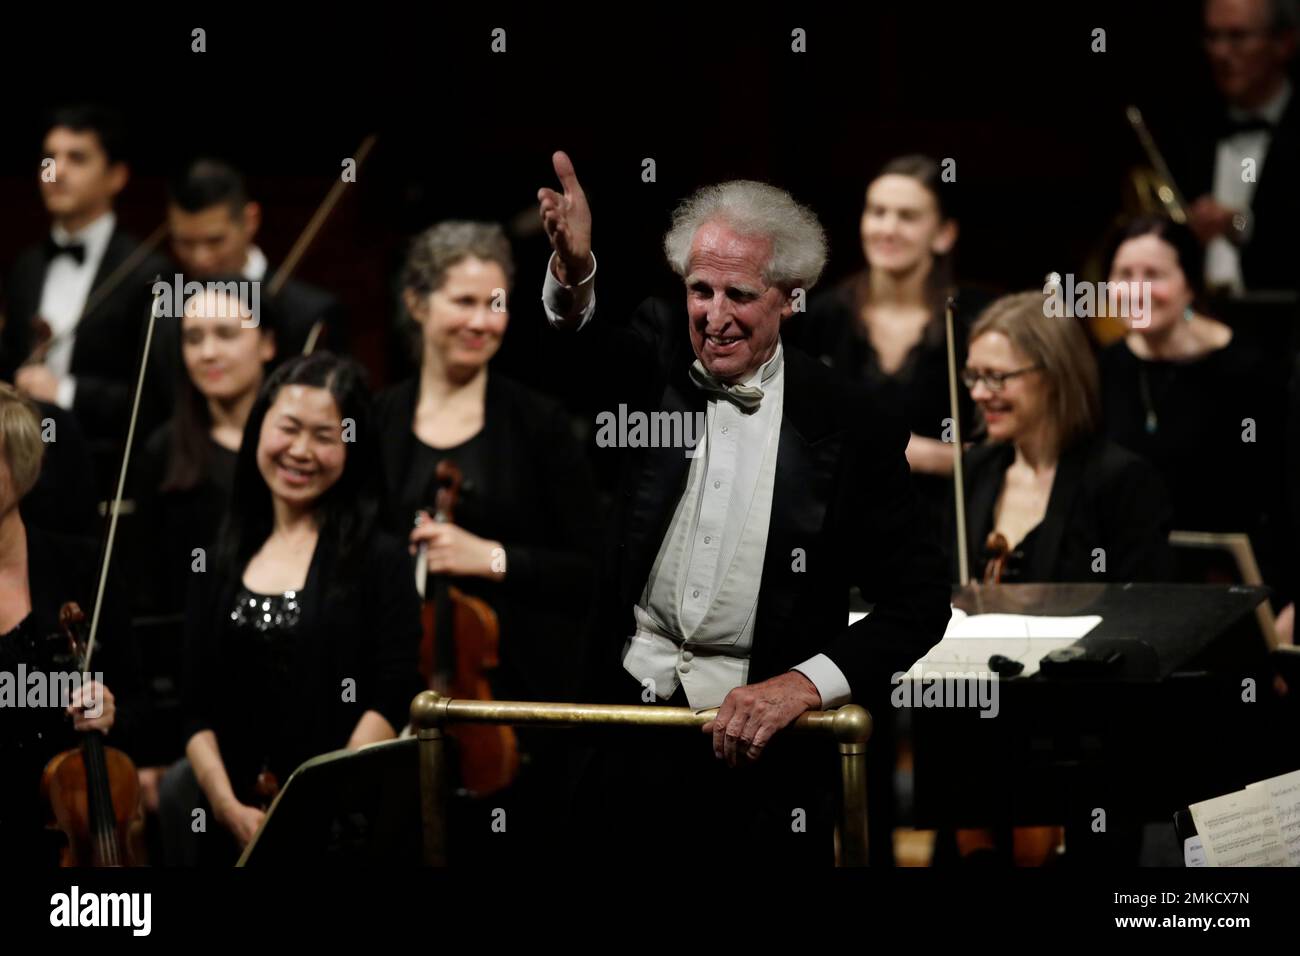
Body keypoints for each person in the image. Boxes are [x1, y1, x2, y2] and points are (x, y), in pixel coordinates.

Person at [537, 151, 950, 865]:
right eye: (701, 290)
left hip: (761, 768)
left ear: (790, 297)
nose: (714, 316)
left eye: (740, 295)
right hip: (621, 735)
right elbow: (582, 352)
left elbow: (918, 603)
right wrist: (575, 272)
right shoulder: (655, 363)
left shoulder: (851, 423)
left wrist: (802, 685)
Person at [375, 219, 602, 861]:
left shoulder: (538, 424)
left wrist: (493, 558)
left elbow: (593, 570)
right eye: (465, 301)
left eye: (497, 303)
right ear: (418, 304)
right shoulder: (379, 420)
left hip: (523, 703)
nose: (483, 320)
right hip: (401, 694)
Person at [167, 353, 421, 864]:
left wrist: (310, 808)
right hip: (230, 823)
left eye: (325, 436)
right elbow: (193, 708)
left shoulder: (383, 558)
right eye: (288, 428)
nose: (301, 451)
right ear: (260, 428)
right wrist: (223, 806)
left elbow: (391, 694)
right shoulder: (218, 557)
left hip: (339, 828)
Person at [791, 155, 987, 512]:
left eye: (907, 216)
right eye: (877, 212)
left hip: (940, 528)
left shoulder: (975, 321)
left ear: (944, 235)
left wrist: (923, 455)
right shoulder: (822, 315)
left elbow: (1003, 455)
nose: (888, 229)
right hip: (838, 524)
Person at [1098, 217, 1283, 591]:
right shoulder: (1104, 367)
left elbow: (1281, 492)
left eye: (1153, 275)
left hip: (1238, 585)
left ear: (1190, 284)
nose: (1136, 290)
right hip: (1131, 585)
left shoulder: (1249, 370)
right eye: (1124, 274)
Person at [0, 383, 135, 866]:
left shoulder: (84, 569)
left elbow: (142, 705)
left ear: (21, 467)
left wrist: (111, 711)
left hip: (70, 836)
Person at [959, 290, 1174, 583]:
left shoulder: (1120, 481)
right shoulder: (974, 469)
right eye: (973, 376)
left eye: (997, 377)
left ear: (1052, 375)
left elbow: (1141, 610)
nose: (979, 393)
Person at [1, 105, 170, 470]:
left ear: (117, 176)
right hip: (17, 463)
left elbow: (157, 397)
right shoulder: (25, 265)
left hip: (102, 468)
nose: (56, 171)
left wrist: (66, 392)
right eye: (49, 158)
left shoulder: (151, 271)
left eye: (77, 158)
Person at [1170, 0, 1299, 293]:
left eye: (1237, 36)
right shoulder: (1188, 133)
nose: (1220, 52)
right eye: (1212, 37)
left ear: (1284, 43)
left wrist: (1242, 225)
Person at [165, 158, 346, 356]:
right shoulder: (164, 311)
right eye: (185, 242)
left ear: (251, 220)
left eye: (215, 241)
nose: (200, 258)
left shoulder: (309, 314)